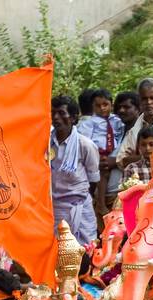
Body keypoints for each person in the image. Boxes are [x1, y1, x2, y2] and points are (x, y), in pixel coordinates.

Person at [49, 95, 99, 246]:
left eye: (61, 113)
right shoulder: (45, 143)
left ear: (73, 117)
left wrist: (80, 197)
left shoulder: (85, 145)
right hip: (55, 208)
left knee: (86, 250)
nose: (56, 117)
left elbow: (94, 180)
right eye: (53, 113)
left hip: (80, 208)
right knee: (57, 254)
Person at [76, 87, 124, 215]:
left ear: (111, 105)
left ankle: (99, 202)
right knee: (100, 174)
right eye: (98, 106)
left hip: (112, 152)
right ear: (93, 107)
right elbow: (84, 139)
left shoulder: (117, 120)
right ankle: (99, 204)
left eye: (105, 104)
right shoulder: (89, 123)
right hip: (97, 152)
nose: (102, 108)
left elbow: (120, 134)